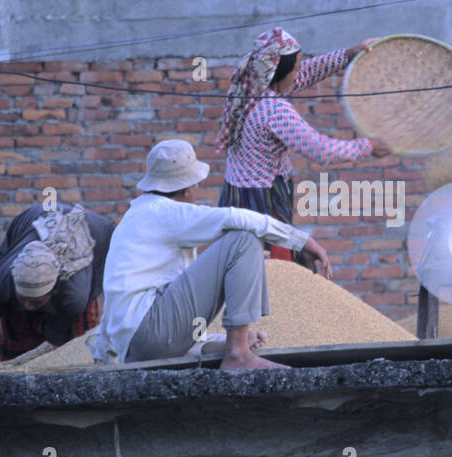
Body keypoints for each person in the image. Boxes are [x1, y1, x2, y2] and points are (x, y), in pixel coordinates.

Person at [90, 139, 331, 372]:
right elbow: (237, 218)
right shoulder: (165, 213)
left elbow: (123, 311)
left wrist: (222, 340)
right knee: (244, 238)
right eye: (196, 185)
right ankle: (238, 355)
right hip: (152, 334)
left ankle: (234, 346)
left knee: (239, 242)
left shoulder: (134, 220)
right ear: (187, 190)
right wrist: (302, 241)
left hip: (138, 348)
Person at [215, 27, 392, 269]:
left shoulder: (249, 82)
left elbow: (305, 73)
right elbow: (321, 150)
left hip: (235, 195)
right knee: (272, 273)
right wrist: (368, 146)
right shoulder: (273, 110)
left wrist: (349, 53)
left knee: (240, 265)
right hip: (261, 203)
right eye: (296, 67)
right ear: (279, 71)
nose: (300, 72)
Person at [0, 202, 114, 365]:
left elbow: (55, 340)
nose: (28, 307)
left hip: (92, 245)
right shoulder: (3, 278)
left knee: (74, 355)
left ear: (53, 290)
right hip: (33, 221)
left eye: (35, 301)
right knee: (17, 338)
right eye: (23, 299)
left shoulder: (74, 296)